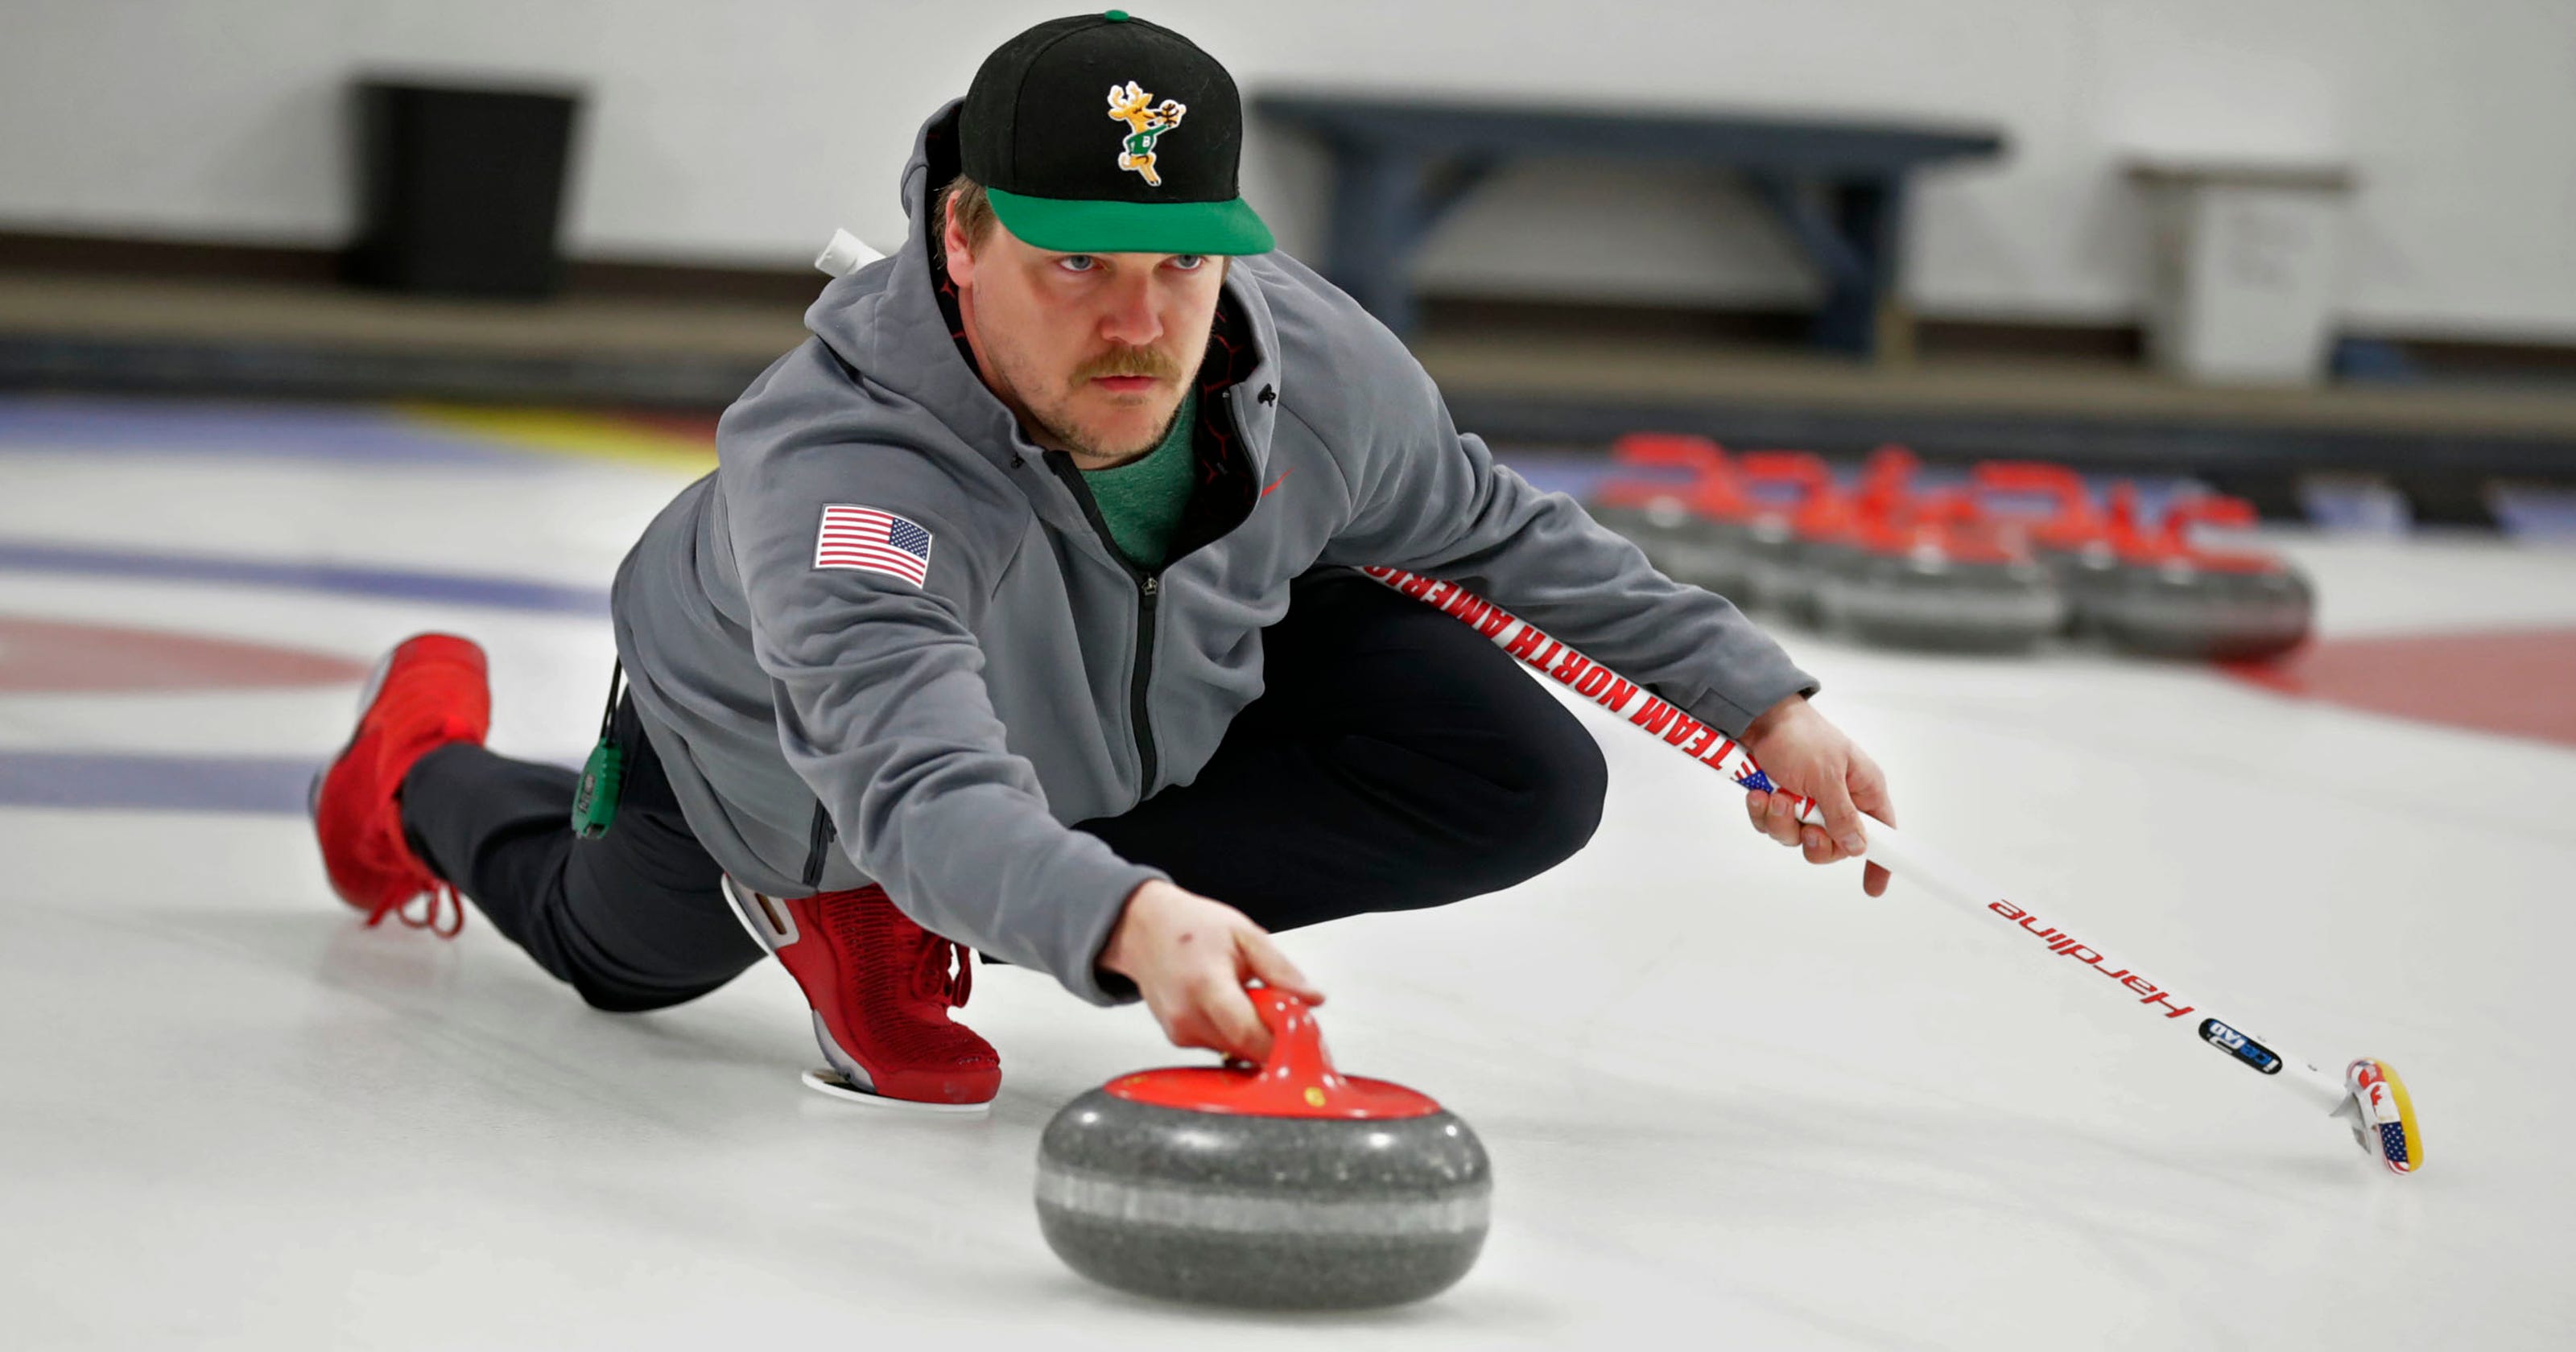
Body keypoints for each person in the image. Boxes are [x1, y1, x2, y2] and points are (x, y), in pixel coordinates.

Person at [309, 10, 1896, 1110]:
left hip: (1087, 723)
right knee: (617, 955)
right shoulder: (851, 478)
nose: (1138, 327)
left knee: (1515, 774)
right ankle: (411, 778)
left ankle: (968, 899)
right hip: (768, 750)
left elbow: (1494, 529)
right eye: (1073, 263)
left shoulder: (1299, 359)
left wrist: (1759, 703)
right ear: (962, 236)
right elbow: (913, 784)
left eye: (1176, 265)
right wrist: (1131, 921)